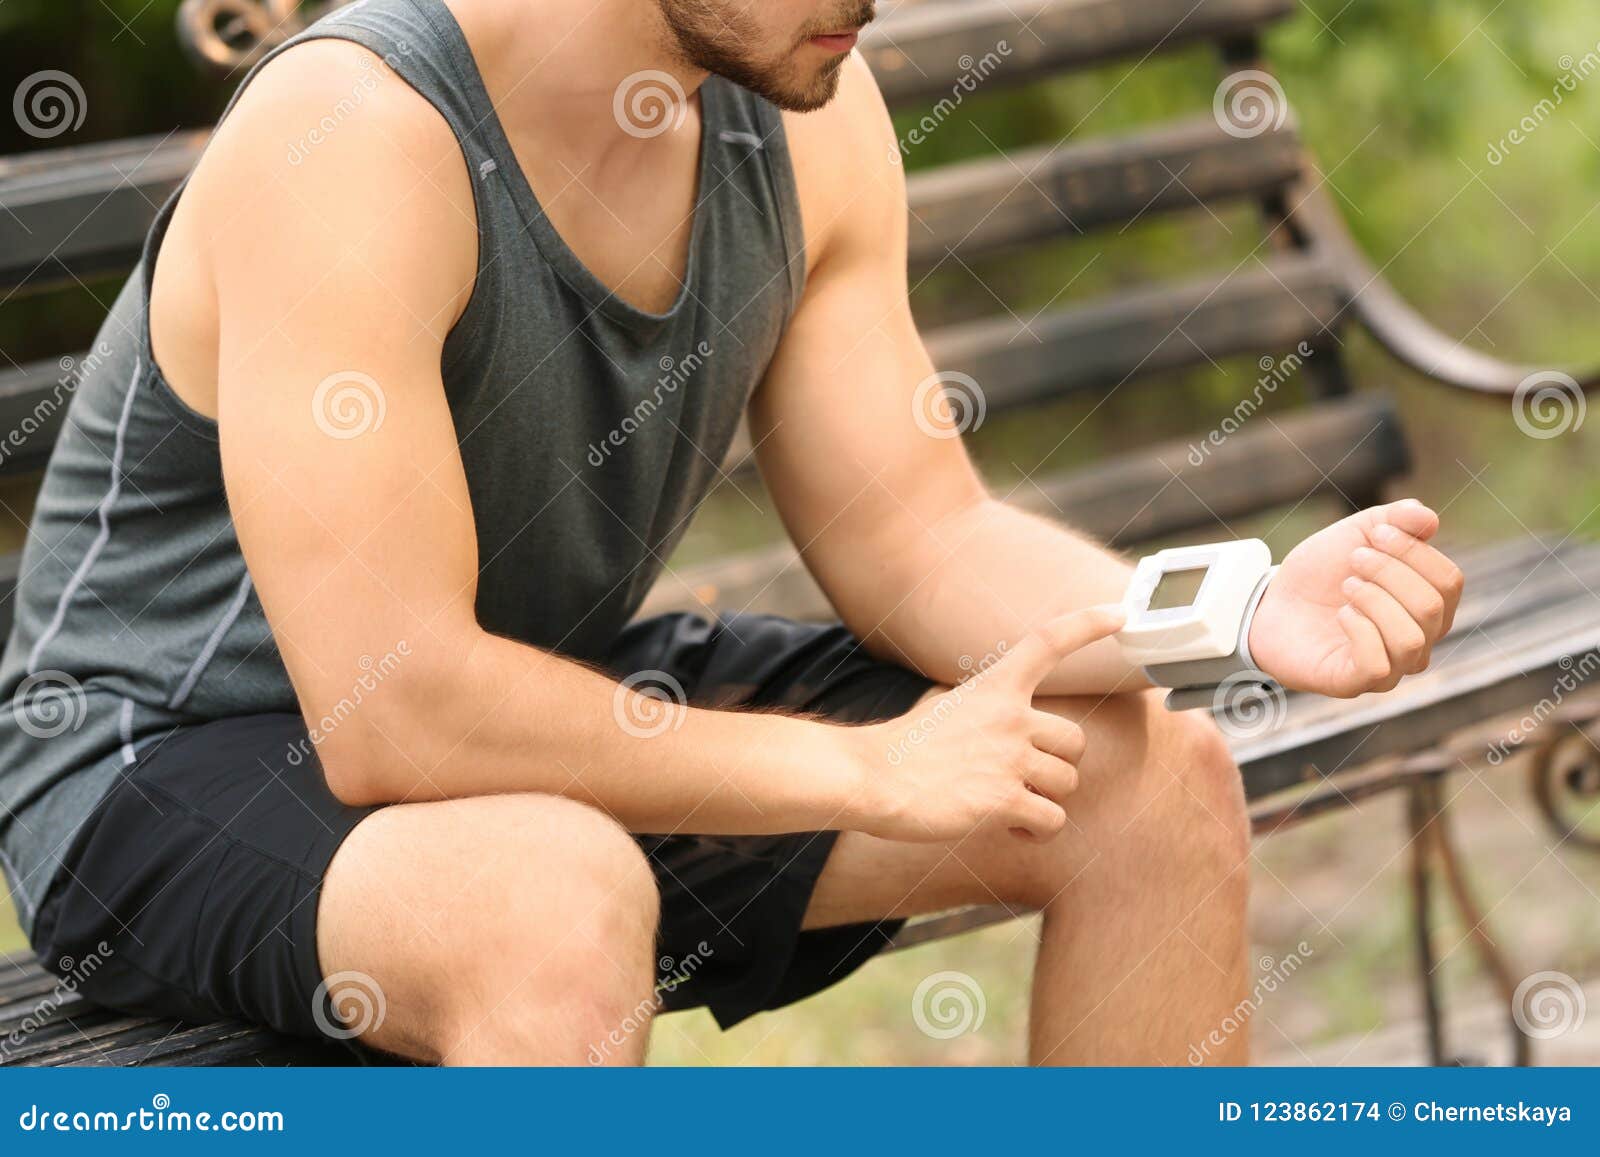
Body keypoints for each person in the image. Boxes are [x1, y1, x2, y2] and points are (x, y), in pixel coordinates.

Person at [0, 0, 1462, 1065]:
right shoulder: (360, 136)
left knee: (1145, 779)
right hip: (161, 758)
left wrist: (1227, 615)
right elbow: (400, 712)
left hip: (529, 704)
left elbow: (916, 534)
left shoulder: (806, 117)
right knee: (550, 900)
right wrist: (868, 768)